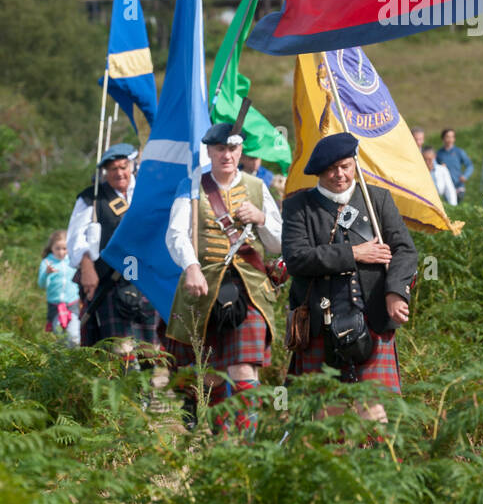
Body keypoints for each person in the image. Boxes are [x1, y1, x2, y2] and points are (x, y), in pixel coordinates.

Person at [281, 132, 417, 422]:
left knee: (375, 414)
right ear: (319, 172)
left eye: (345, 165)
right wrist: (354, 253)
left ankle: (380, 467)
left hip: (373, 319)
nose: (339, 174)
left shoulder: (377, 199)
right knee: (327, 416)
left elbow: (405, 250)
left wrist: (395, 291)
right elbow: (296, 259)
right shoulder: (299, 206)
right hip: (320, 325)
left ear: (354, 163)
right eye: (331, 169)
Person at [164, 120, 283, 439]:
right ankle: (219, 445)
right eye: (220, 148)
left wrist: (260, 218)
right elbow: (176, 233)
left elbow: (279, 244)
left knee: (244, 370)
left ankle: (246, 447)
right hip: (203, 288)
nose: (226, 155)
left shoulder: (258, 187)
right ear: (209, 151)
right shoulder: (191, 186)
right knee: (212, 377)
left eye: (232, 148)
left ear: (241, 150)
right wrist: (190, 266)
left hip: (250, 291)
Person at [67, 144, 163, 371]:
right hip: (109, 280)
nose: (119, 173)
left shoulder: (148, 193)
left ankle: (149, 397)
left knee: (151, 349)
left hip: (146, 280)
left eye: (123, 167)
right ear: (104, 172)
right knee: (121, 347)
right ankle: (127, 398)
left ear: (132, 166)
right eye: (112, 169)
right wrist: (87, 266)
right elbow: (75, 238)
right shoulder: (92, 197)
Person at [38, 230, 80, 346]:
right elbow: (41, 284)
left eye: (64, 248)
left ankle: (76, 358)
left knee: (74, 336)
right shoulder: (47, 262)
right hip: (55, 306)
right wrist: (46, 273)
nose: (61, 252)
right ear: (51, 248)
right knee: (60, 336)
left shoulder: (72, 261)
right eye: (58, 248)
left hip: (72, 304)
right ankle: (64, 361)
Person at [436, 129, 473, 203]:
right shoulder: (439, 153)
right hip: (445, 187)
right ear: (443, 138)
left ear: (454, 139)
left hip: (458, 186)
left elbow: (469, 165)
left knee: (458, 208)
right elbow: (434, 168)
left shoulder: (459, 152)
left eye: (452, 137)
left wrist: (465, 176)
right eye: (447, 137)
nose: (450, 139)